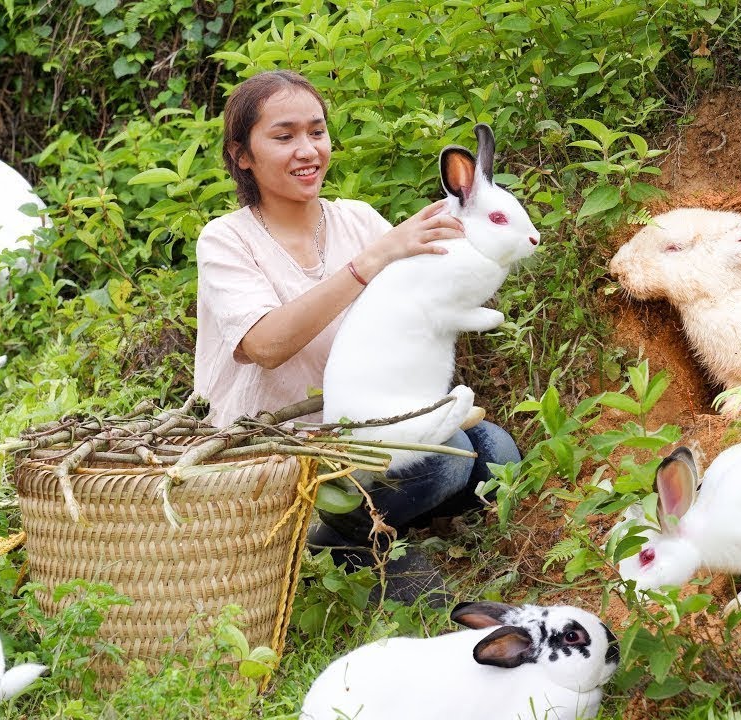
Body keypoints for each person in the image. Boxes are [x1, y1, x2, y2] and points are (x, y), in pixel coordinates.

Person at [194, 70, 521, 600]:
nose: (308, 150)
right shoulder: (227, 240)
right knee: (442, 462)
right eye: (284, 137)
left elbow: (421, 297)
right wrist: (371, 261)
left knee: (495, 456)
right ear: (242, 155)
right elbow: (266, 346)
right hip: (279, 445)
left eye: (317, 132)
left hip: (371, 427)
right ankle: (328, 542)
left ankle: (350, 539)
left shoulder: (357, 220)